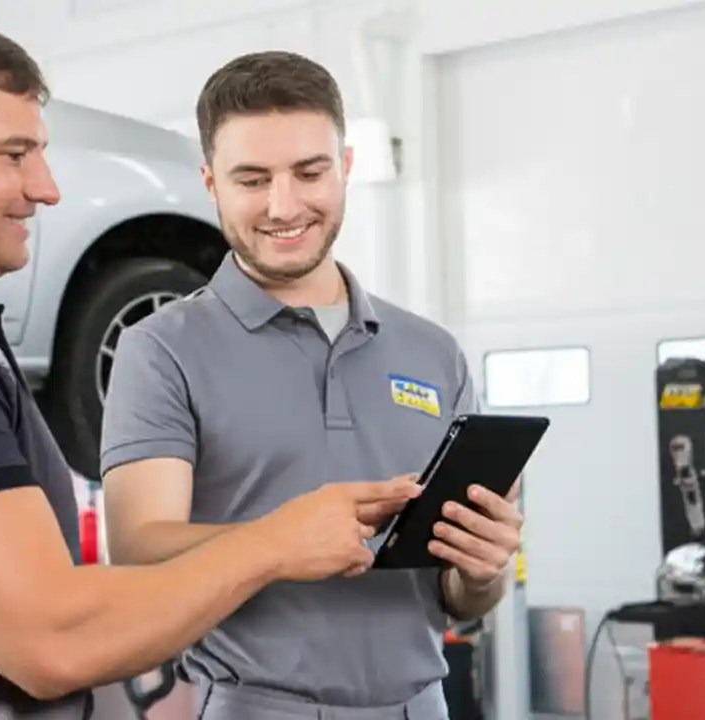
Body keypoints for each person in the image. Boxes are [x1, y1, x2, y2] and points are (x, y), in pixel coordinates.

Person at [0, 20, 424, 720]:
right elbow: (52, 641)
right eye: (15, 155)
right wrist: (277, 543)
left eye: (39, 154)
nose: (44, 189)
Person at [99, 50, 524, 719]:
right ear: (210, 182)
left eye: (309, 171)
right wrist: (278, 542)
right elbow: (139, 553)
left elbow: (460, 596)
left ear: (345, 167)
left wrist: (483, 570)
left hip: (423, 705)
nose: (284, 205)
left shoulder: (433, 352)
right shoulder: (161, 348)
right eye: (252, 178)